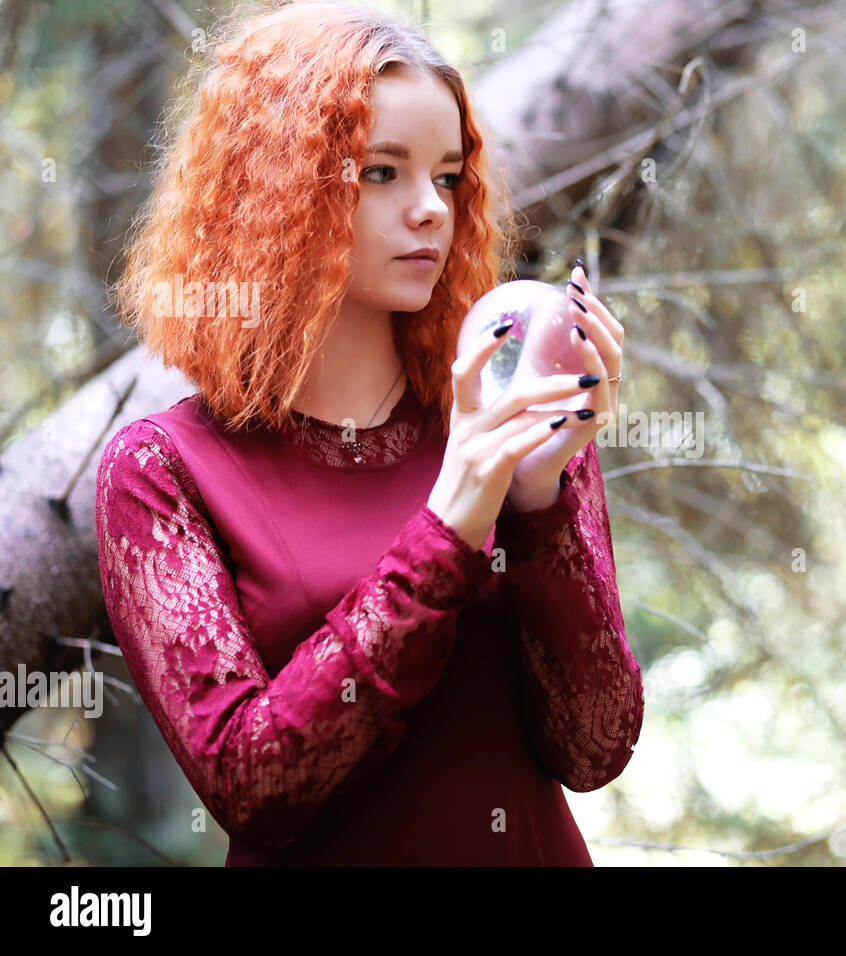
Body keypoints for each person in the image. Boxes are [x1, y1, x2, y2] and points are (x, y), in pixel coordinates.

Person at [95, 0, 642, 865]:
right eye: (381, 172)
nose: (431, 209)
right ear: (275, 189)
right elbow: (253, 784)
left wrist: (535, 504)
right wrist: (452, 524)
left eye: (450, 176)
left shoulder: (509, 417)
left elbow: (595, 746)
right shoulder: (162, 472)